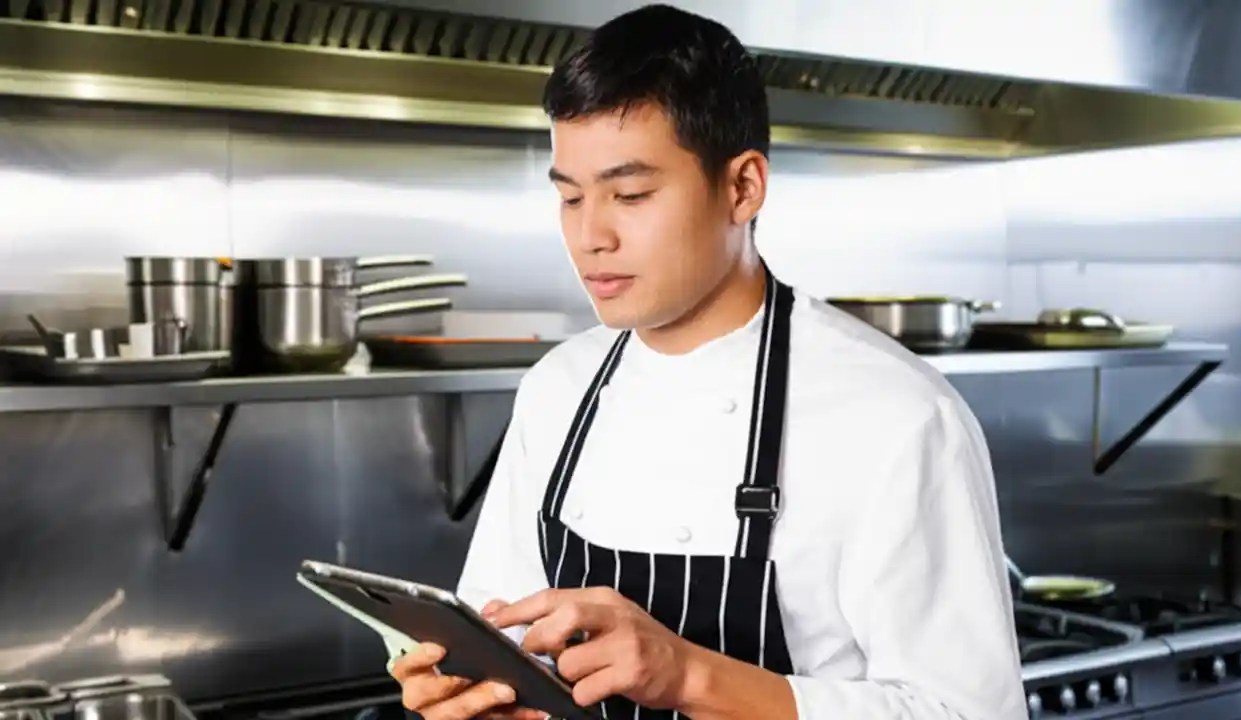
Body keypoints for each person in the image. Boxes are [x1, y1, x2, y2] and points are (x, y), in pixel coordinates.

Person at [391, 4, 1025, 719]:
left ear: (743, 187)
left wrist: (689, 675)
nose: (590, 235)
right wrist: (472, 689)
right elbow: (505, 634)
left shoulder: (895, 416)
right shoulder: (558, 390)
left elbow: (973, 713)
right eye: (570, 197)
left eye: (630, 194)